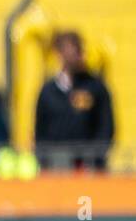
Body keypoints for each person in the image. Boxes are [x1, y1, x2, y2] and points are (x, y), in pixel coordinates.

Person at [34, 31, 114, 170]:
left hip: (88, 162)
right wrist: (43, 160)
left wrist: (96, 156)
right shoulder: (48, 91)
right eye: (70, 50)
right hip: (56, 162)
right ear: (59, 53)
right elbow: (40, 129)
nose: (75, 56)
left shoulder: (95, 87)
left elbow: (106, 126)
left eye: (78, 50)